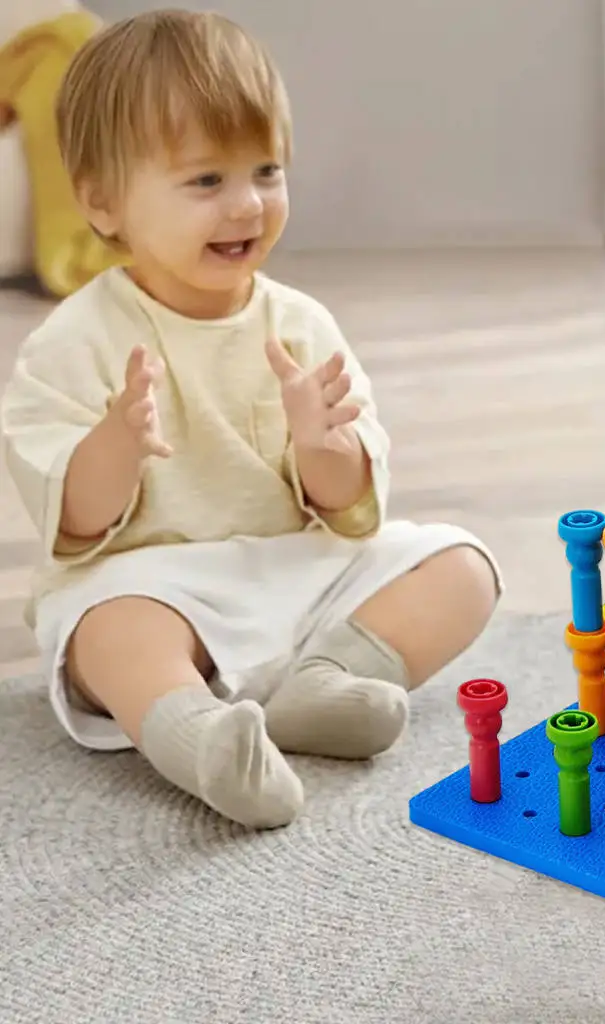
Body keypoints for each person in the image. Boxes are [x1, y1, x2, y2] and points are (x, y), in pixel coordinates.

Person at [0, 10, 502, 830]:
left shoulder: (300, 325)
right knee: (107, 631)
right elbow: (75, 523)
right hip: (154, 586)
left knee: (461, 566)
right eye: (205, 181)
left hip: (292, 571)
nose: (246, 206)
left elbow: (345, 507)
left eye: (266, 171)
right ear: (101, 203)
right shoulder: (75, 341)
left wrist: (321, 447)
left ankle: (326, 682)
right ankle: (197, 738)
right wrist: (116, 443)